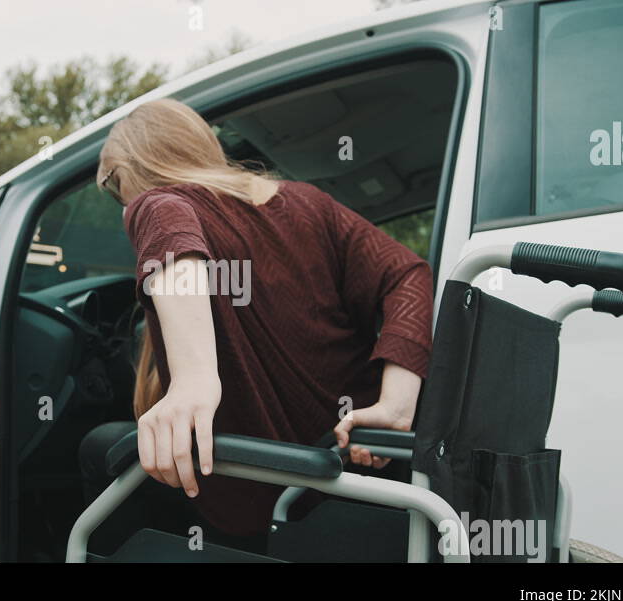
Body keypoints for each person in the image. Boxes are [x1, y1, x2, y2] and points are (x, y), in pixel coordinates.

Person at [95, 98, 433, 539]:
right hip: (365, 478)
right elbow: (408, 274)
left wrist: (194, 382)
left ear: (133, 167)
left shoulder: (157, 204)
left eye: (111, 183)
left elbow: (172, 239)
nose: (119, 199)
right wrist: (396, 406)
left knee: (98, 448)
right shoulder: (312, 204)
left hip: (261, 495)